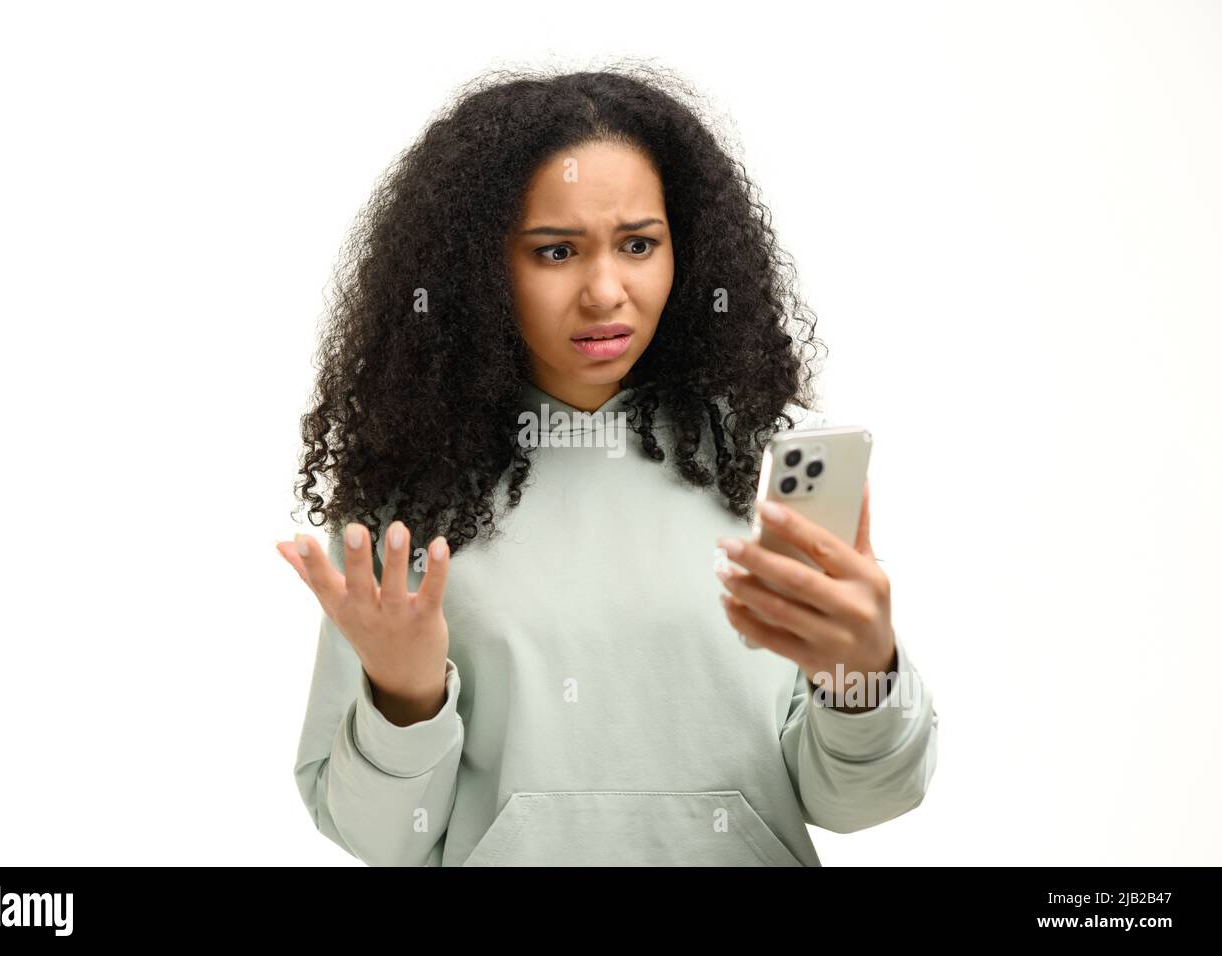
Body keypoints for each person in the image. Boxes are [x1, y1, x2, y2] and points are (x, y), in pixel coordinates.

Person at [277, 64, 938, 866]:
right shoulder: (413, 492)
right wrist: (404, 700)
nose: (605, 291)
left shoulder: (766, 466)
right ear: (480, 271)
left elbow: (862, 801)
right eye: (556, 251)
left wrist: (862, 675)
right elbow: (379, 839)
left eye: (637, 245)